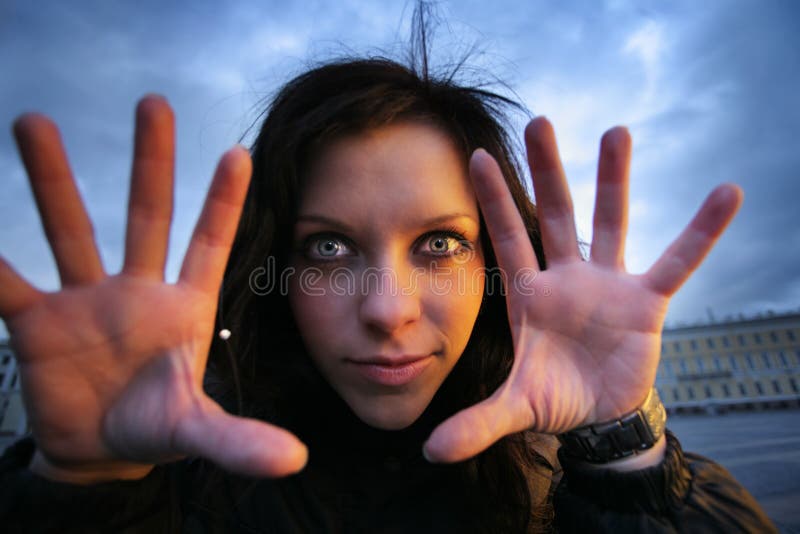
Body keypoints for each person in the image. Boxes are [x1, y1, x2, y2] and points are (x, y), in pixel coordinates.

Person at [0, 10, 777, 533]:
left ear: (499, 264)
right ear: (275, 269)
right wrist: (86, 486)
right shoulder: (180, 475)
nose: (386, 310)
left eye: (439, 243)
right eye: (327, 248)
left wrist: (623, 456)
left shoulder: (559, 481)